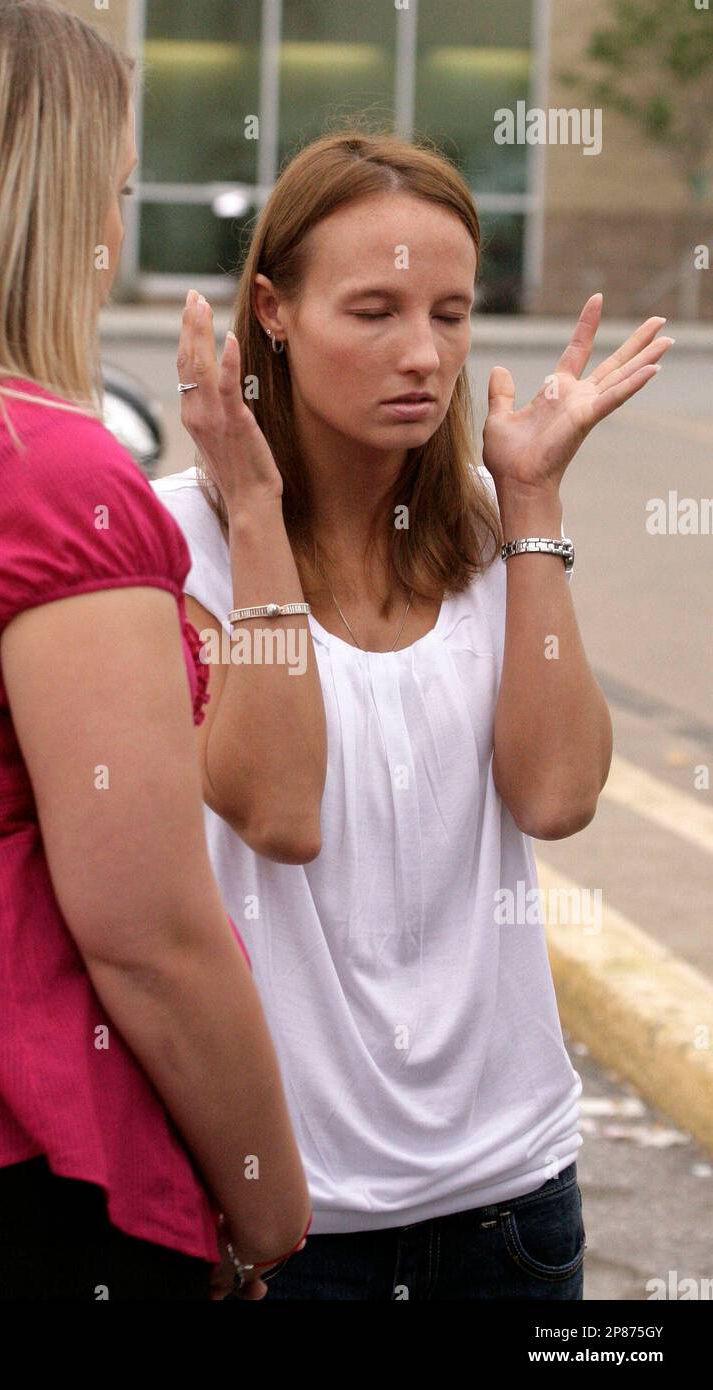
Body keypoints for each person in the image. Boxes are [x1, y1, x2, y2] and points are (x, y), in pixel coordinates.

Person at [0, 0, 311, 1302]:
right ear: (48, 204)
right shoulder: (40, 477)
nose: (116, 230)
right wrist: (269, 1199)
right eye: (113, 189)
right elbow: (148, 928)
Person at [153, 129, 673, 1300]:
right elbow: (279, 810)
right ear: (272, 313)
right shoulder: (175, 539)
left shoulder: (490, 519)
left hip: (512, 1203)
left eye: (450, 313)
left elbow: (555, 795)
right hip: (285, 1215)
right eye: (374, 310)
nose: (421, 355)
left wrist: (531, 501)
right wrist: (251, 511)